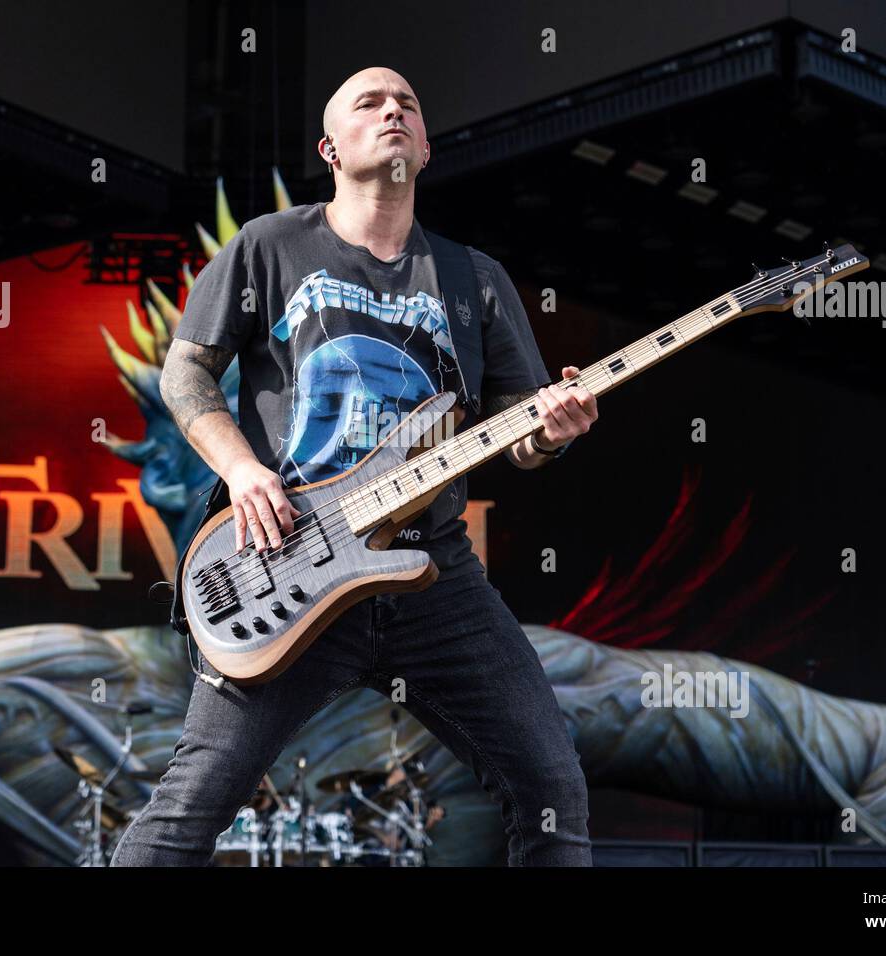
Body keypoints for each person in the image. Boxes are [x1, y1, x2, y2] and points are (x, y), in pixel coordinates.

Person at [111, 67, 598, 866]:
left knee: (553, 791)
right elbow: (185, 373)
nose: (393, 110)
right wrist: (241, 469)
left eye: (407, 102)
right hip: (289, 559)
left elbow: (521, 433)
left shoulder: (475, 280)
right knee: (189, 808)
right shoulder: (270, 245)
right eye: (370, 102)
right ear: (330, 148)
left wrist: (554, 431)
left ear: (427, 147)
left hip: (434, 572)